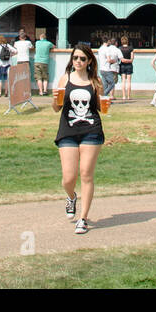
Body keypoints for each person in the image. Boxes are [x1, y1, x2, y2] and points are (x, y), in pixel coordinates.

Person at [53, 44, 105, 234]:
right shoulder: (65, 79)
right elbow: (56, 108)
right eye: (75, 58)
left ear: (89, 61)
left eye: (83, 59)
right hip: (68, 130)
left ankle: (83, 218)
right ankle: (71, 196)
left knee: (86, 174)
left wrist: (104, 99)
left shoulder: (94, 81)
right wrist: (54, 99)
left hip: (91, 129)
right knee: (68, 178)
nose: (78, 62)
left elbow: (99, 107)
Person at [33, 31, 53, 96]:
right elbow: (54, 46)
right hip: (45, 62)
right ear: (45, 38)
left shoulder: (37, 42)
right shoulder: (48, 43)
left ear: (40, 37)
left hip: (37, 61)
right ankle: (45, 91)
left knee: (38, 77)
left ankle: (40, 92)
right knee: (45, 77)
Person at [119, 36, 135, 100]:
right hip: (129, 66)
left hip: (122, 65)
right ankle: (128, 96)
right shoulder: (131, 48)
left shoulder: (119, 48)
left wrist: (124, 60)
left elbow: (120, 59)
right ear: (127, 41)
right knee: (129, 81)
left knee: (123, 81)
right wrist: (128, 60)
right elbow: (132, 58)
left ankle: (123, 96)